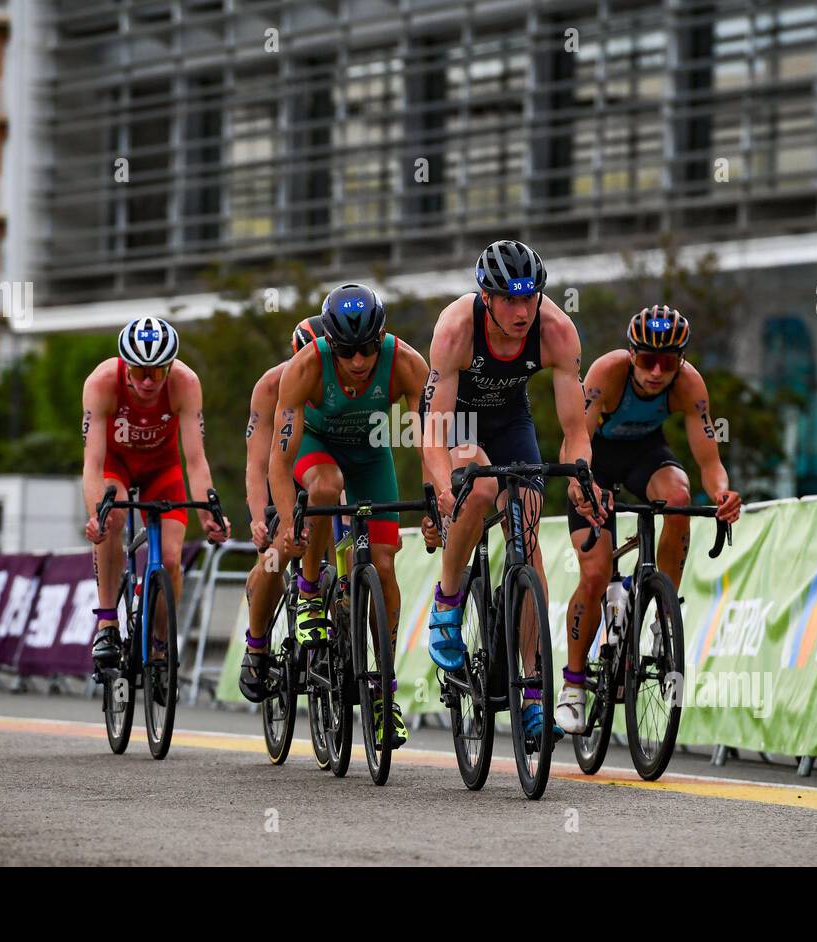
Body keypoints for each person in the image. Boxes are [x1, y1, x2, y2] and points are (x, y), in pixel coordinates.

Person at [420, 239, 603, 742]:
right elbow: (433, 432)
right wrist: (440, 486)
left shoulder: (556, 331)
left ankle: (533, 693)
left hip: (510, 420)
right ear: (486, 296)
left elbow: (575, 429)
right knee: (477, 489)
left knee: (530, 533)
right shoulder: (456, 329)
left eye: (531, 298)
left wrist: (583, 475)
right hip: (457, 423)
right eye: (510, 300)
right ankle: (448, 600)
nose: (523, 311)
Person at [553, 306, 741, 733]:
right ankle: (574, 684)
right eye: (647, 360)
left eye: (668, 362)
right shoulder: (607, 372)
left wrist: (722, 494)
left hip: (645, 455)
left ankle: (660, 612)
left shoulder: (690, 385)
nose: (657, 372)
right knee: (597, 573)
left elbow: (709, 461)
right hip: (592, 460)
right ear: (632, 354)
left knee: (678, 495)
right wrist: (580, 485)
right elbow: (574, 440)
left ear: (681, 362)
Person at [270, 284, 431, 746]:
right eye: (346, 351)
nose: (359, 362)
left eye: (366, 349)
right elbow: (279, 462)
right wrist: (288, 521)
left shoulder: (405, 363)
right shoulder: (305, 368)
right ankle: (307, 592)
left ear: (380, 338)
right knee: (325, 486)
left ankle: (383, 692)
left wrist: (434, 502)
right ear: (330, 343)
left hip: (370, 455)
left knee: (382, 565)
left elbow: (429, 439)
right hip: (317, 449)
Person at [82, 316, 230, 667]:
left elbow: (195, 461)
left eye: (158, 372)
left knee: (172, 559)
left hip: (163, 470)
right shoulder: (102, 383)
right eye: (139, 371)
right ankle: (107, 621)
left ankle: (161, 643)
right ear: (125, 365)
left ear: (171, 367)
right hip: (115, 467)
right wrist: (95, 516)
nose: (149, 381)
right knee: (112, 518)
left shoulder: (186, 383)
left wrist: (209, 514)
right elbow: (92, 462)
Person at [237, 317, 324, 703]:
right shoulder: (271, 387)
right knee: (274, 558)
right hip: (281, 477)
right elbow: (257, 464)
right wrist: (258, 518)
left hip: (322, 474)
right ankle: (256, 647)